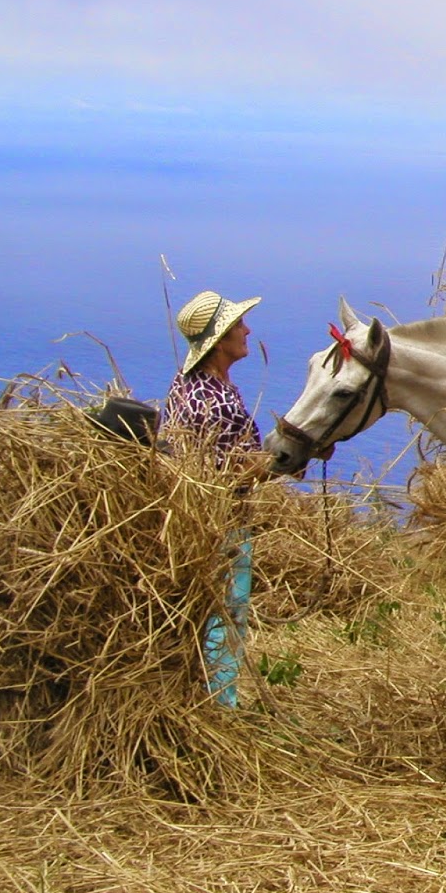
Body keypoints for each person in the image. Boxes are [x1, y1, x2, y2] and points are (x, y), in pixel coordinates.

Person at [160, 289, 269, 707]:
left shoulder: (190, 383)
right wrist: (281, 460)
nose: (247, 330)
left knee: (212, 611)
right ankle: (220, 704)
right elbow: (227, 472)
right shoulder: (215, 400)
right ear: (220, 338)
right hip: (223, 522)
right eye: (239, 325)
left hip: (197, 519)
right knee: (226, 614)